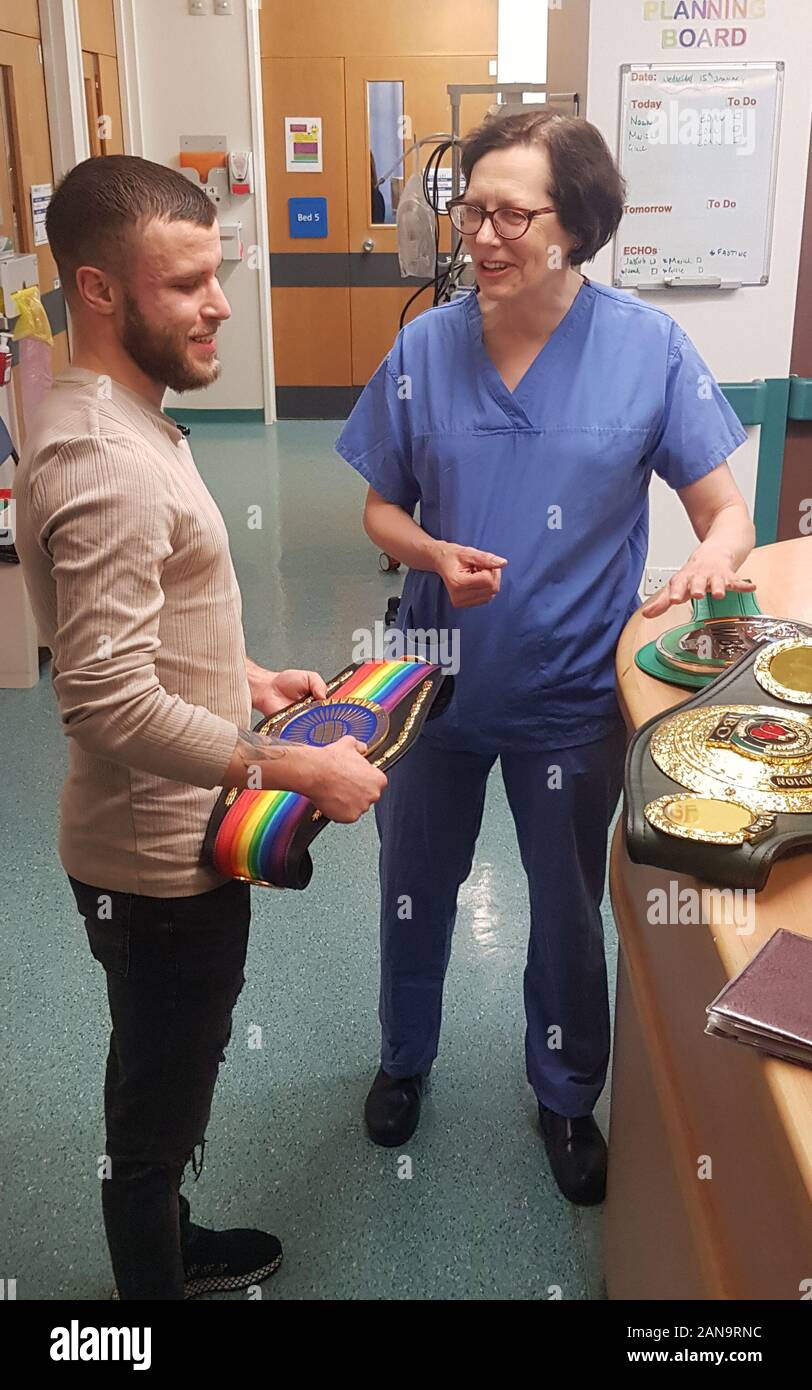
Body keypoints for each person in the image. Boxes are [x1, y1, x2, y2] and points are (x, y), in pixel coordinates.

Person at [336, 111, 755, 1205]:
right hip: (429, 675)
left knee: (567, 903)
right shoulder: (425, 345)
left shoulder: (643, 348)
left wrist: (708, 560)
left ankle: (565, 1094)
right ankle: (401, 1057)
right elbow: (379, 508)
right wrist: (426, 546)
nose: (480, 234)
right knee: (410, 885)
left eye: (508, 213)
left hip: (570, 689)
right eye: (468, 208)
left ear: (574, 227)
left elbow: (724, 511)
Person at [14, 156, 387, 1299]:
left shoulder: (115, 418)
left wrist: (241, 673)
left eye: (215, 274)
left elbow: (146, 626)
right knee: (154, 1109)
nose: (220, 303)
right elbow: (105, 697)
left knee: (180, 1065)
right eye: (185, 284)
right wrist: (294, 768)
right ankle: (148, 1298)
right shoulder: (105, 457)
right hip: (155, 869)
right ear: (100, 292)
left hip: (183, 840)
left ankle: (172, 1242)